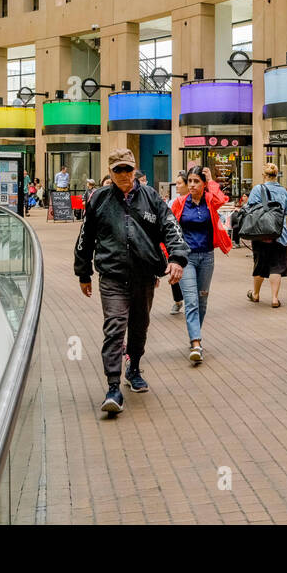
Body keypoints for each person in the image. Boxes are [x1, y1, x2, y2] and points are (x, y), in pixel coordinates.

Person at [75, 149, 189, 415]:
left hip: (144, 276)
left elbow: (171, 228)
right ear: (111, 172)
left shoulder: (151, 198)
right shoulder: (98, 199)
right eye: (118, 171)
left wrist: (177, 259)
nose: (124, 175)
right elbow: (85, 238)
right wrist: (83, 272)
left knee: (139, 327)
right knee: (114, 327)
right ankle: (113, 386)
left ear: (135, 169)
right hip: (112, 276)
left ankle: (134, 368)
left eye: (128, 170)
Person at [171, 166, 232, 365]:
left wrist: (212, 180)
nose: (192, 185)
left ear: (203, 184)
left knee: (202, 300)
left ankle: (195, 334)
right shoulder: (180, 203)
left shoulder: (209, 201)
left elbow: (222, 199)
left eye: (197, 181)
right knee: (191, 301)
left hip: (207, 256)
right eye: (190, 181)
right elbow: (170, 230)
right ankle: (196, 343)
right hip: (186, 258)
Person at [246, 164, 287, 308]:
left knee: (259, 264)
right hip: (279, 233)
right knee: (276, 266)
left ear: (264, 175)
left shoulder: (257, 189)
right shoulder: (283, 191)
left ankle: (256, 294)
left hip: (260, 233)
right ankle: (274, 298)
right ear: (276, 175)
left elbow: (250, 208)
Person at [167, 172, 188, 315]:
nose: (177, 186)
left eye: (180, 183)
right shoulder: (172, 202)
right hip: (175, 243)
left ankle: (191, 302)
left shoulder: (194, 201)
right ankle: (178, 300)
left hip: (190, 243)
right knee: (174, 271)